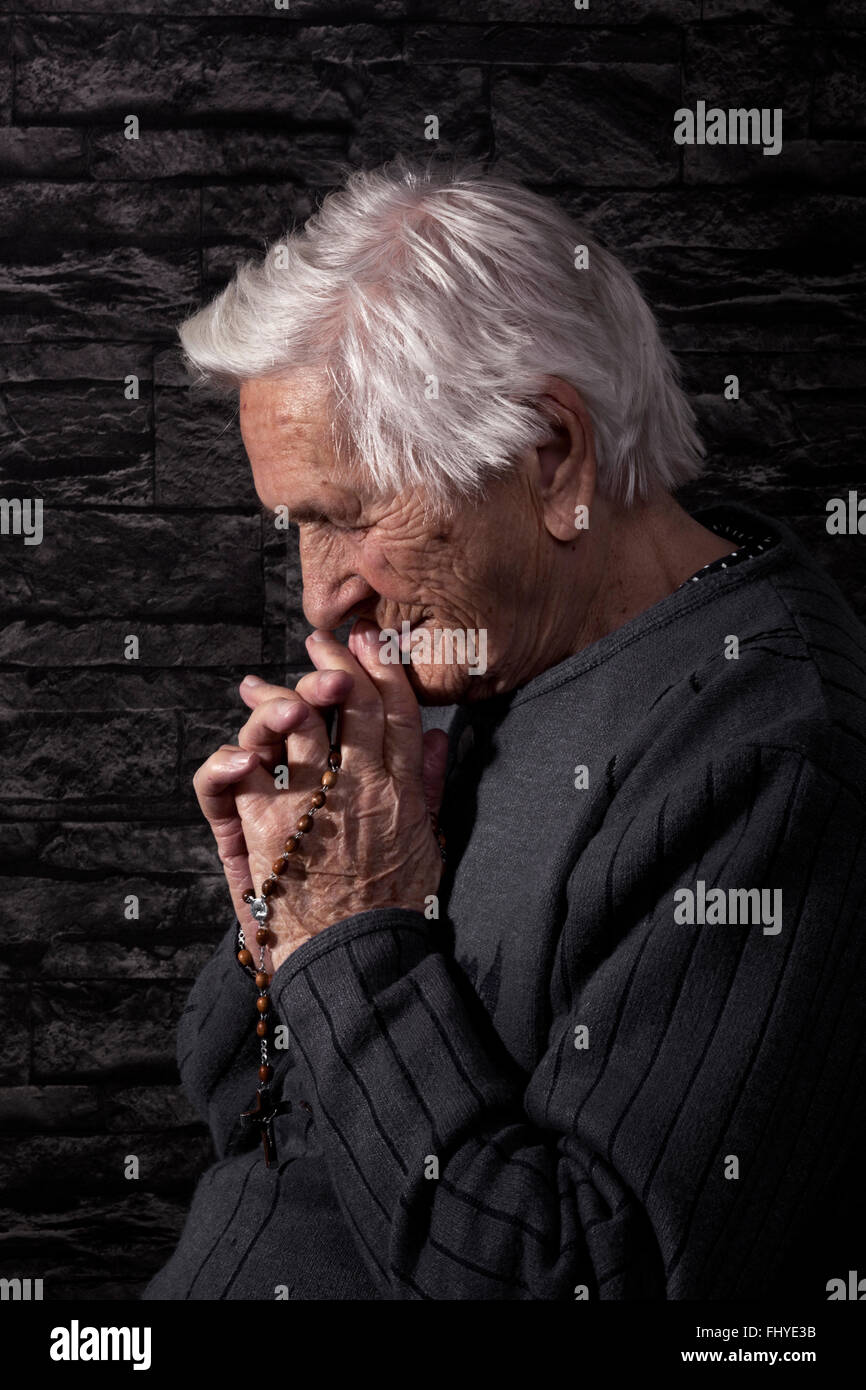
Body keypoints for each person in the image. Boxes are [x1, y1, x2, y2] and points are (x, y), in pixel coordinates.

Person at [142, 159, 866, 1301]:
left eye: (351, 519)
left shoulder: (767, 757)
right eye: (296, 529)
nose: (321, 597)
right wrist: (270, 921)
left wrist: (349, 934)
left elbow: (579, 1276)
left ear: (553, 456)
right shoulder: (470, 657)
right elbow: (253, 1122)